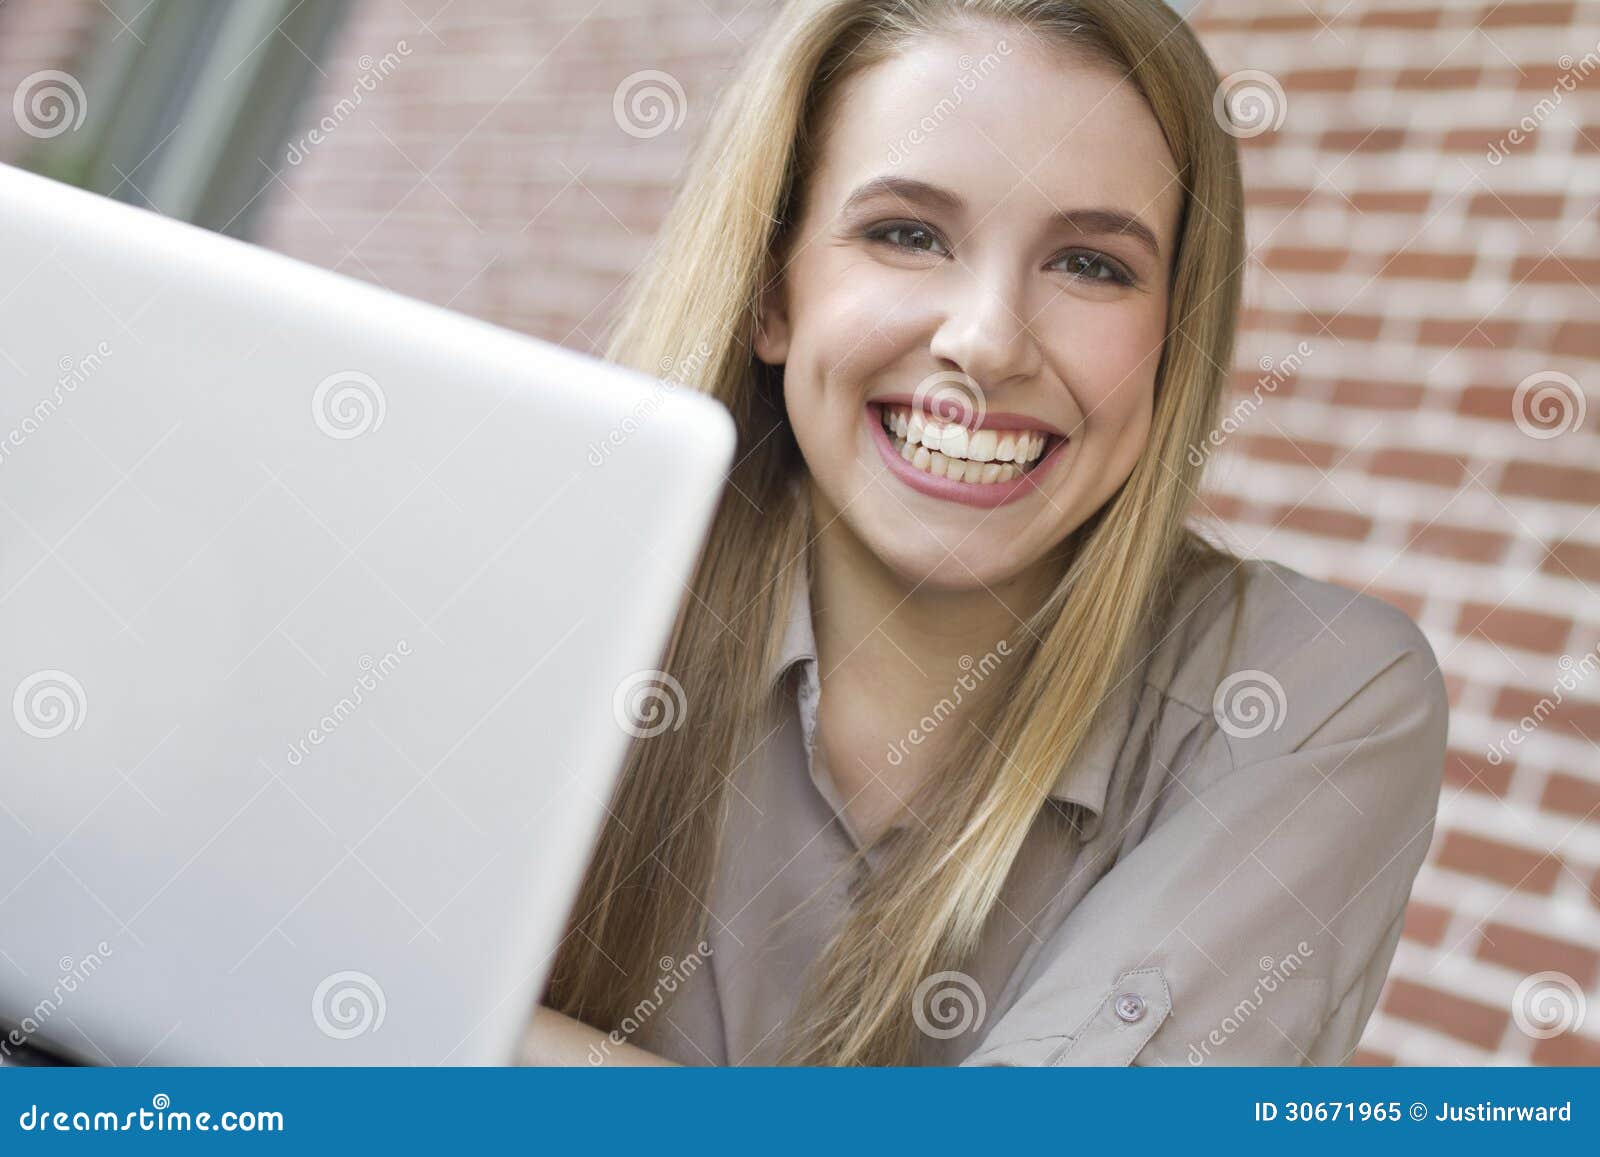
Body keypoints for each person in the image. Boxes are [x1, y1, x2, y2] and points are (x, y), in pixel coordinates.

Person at [524, 0, 1448, 1066]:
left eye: (1091, 263)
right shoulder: (546, 578)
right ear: (773, 289)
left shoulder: (1310, 696)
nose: (988, 340)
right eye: (905, 235)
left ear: (1172, 338)